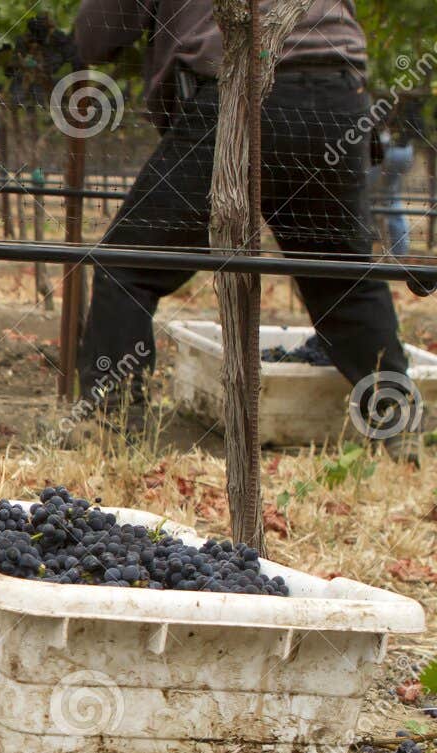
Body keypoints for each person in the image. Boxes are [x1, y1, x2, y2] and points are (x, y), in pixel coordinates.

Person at [72, 0, 419, 461]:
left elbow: (97, 36)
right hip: (339, 98)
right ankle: (400, 428)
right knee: (344, 279)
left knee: (128, 267)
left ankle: (110, 425)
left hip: (238, 89)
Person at [371, 101, 420, 257]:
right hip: (404, 150)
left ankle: (390, 251)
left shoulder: (381, 96)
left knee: (374, 199)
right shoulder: (407, 97)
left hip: (388, 150)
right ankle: (398, 251)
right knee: (391, 200)